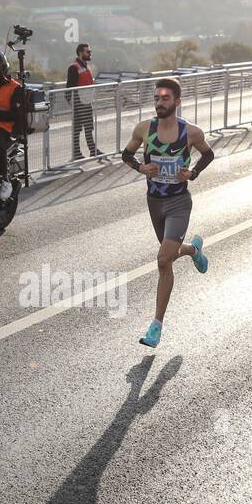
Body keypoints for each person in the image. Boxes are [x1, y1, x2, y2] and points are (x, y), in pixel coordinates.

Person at [121, 77, 214, 347]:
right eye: (156, 98)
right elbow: (126, 155)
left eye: (165, 98)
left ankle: (156, 326)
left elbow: (208, 155)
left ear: (177, 101)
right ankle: (194, 251)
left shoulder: (191, 133)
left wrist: (193, 173)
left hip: (178, 202)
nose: (159, 103)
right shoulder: (144, 130)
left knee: (163, 260)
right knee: (170, 253)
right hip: (155, 202)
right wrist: (140, 168)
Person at [0, 48, 26, 197]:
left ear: (2, 68)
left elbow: (16, 114)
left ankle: (4, 178)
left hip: (3, 128)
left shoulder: (15, 88)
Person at [66, 42, 102, 160]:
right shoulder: (74, 67)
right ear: (81, 53)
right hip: (79, 102)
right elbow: (69, 87)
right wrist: (72, 102)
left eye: (90, 51)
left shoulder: (86, 66)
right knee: (78, 128)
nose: (90, 53)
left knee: (88, 127)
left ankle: (92, 150)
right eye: (88, 51)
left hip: (86, 101)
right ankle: (78, 152)